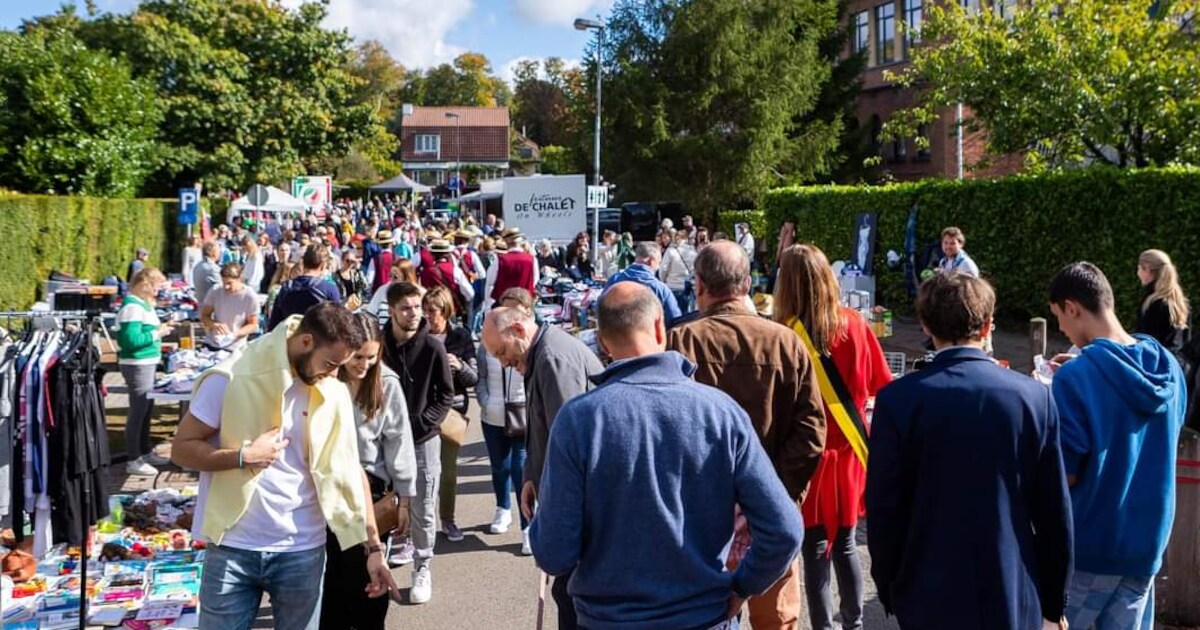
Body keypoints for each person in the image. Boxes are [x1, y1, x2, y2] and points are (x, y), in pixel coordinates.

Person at [531, 283, 805, 630]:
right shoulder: (721, 413)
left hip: (609, 620)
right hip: (705, 616)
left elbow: (554, 553)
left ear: (602, 342)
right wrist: (743, 586)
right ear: (661, 327)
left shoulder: (578, 420)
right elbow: (784, 529)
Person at [865, 272, 1072, 630]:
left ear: (925, 325)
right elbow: (1053, 512)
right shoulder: (1034, 398)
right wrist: (1054, 601)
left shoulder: (898, 400)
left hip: (927, 587)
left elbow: (884, 507)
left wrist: (889, 583)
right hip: (1011, 585)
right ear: (989, 325)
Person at [171, 302, 398, 629]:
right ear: (306, 342)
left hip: (302, 550)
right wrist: (242, 457)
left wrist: (374, 547)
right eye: (330, 363)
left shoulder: (331, 391)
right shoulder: (233, 376)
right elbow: (181, 448)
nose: (333, 375)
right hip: (233, 546)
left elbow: (350, 472)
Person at [667, 240, 826, 630]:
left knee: (701, 616)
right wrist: (774, 497)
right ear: (747, 282)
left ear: (699, 285)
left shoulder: (677, 342)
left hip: (695, 522)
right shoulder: (786, 342)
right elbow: (811, 434)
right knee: (775, 620)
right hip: (769, 517)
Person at [1049, 261, 1186, 630]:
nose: (1060, 327)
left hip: (1091, 544)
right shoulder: (1169, 366)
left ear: (1072, 307)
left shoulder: (1075, 378)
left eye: (1059, 316)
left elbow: (1069, 474)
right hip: (1147, 544)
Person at [773, 244, 892, 630]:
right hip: (852, 453)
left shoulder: (783, 335)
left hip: (808, 456)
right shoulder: (856, 324)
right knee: (846, 546)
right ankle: (854, 624)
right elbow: (881, 384)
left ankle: (824, 626)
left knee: (814, 550)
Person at [481, 304, 603, 630]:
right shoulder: (541, 356)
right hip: (572, 508)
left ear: (519, 330)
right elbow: (545, 430)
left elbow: (573, 451)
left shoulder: (553, 360)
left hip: (582, 515)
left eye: (502, 351)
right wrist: (531, 475)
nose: (503, 362)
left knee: (572, 596)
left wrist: (556, 526)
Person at [320, 312, 417, 630]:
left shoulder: (386, 383)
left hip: (371, 491)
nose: (363, 364)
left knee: (368, 579)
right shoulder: (327, 379)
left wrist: (404, 498)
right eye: (357, 357)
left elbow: (399, 442)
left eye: (371, 357)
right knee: (333, 582)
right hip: (329, 488)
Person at [379, 282, 454, 604]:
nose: (413, 314)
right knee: (382, 504)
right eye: (406, 308)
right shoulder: (378, 346)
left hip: (423, 440)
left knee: (423, 506)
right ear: (392, 311)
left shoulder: (433, 347)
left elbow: (446, 394)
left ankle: (422, 565)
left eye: (417, 307)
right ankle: (376, 565)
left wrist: (423, 423)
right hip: (383, 439)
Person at [476, 289, 532, 550]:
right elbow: (481, 375)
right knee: (499, 466)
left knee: (521, 468)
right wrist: (485, 398)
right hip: (493, 412)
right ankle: (502, 507)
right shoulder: (488, 339)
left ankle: (527, 524)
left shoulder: (527, 340)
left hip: (521, 411)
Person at [422, 287, 478, 543]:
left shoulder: (460, 336)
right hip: (422, 411)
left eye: (432, 311)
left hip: (452, 411)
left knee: (448, 471)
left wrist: (459, 366)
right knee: (421, 470)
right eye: (425, 311)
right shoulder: (417, 337)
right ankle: (419, 524)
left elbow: (474, 378)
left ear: (445, 311)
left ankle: (448, 519)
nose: (427, 316)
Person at [117, 267, 174, 476]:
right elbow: (129, 341)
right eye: (157, 286)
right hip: (136, 364)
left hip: (146, 363)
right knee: (138, 411)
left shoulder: (141, 305)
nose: (159, 291)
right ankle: (133, 459)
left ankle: (144, 451)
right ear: (147, 285)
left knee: (147, 409)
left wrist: (159, 332)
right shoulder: (132, 308)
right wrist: (157, 333)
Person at [606, 242, 683, 326]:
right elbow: (674, 320)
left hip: (616, 336)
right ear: (651, 261)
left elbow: (601, 310)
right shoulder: (661, 289)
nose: (658, 267)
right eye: (659, 263)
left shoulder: (614, 280)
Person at [267, 245, 342, 331]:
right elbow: (336, 325)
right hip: (318, 341)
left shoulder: (286, 287)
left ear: (304, 262)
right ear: (323, 265)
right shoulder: (329, 289)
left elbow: (274, 324)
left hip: (290, 340)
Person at [1134, 249, 1190, 351]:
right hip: (1177, 364)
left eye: (1139, 269)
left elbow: (1146, 342)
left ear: (1147, 270)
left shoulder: (1154, 304)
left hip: (1158, 363)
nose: (1138, 273)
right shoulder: (1180, 302)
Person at [199, 263, 260, 352]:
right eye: (223, 283)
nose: (226, 287)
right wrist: (214, 325)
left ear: (239, 279)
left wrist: (236, 334)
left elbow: (253, 324)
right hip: (213, 343)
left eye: (229, 283)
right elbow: (204, 316)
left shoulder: (250, 296)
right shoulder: (215, 290)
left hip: (235, 347)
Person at [419, 239, 474, 320]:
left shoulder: (424, 272)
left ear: (432, 254)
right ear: (448, 254)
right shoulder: (455, 270)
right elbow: (469, 293)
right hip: (450, 310)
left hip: (431, 311)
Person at [483, 228, 538, 311]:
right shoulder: (532, 259)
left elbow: (490, 283)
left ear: (506, 243)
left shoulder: (500, 260)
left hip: (503, 306)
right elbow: (534, 281)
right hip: (524, 306)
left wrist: (488, 305)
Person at [657, 229, 691, 313]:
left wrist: (663, 281)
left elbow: (663, 270)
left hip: (672, 287)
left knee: (672, 315)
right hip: (686, 287)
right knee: (685, 314)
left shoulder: (670, 251)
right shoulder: (691, 250)